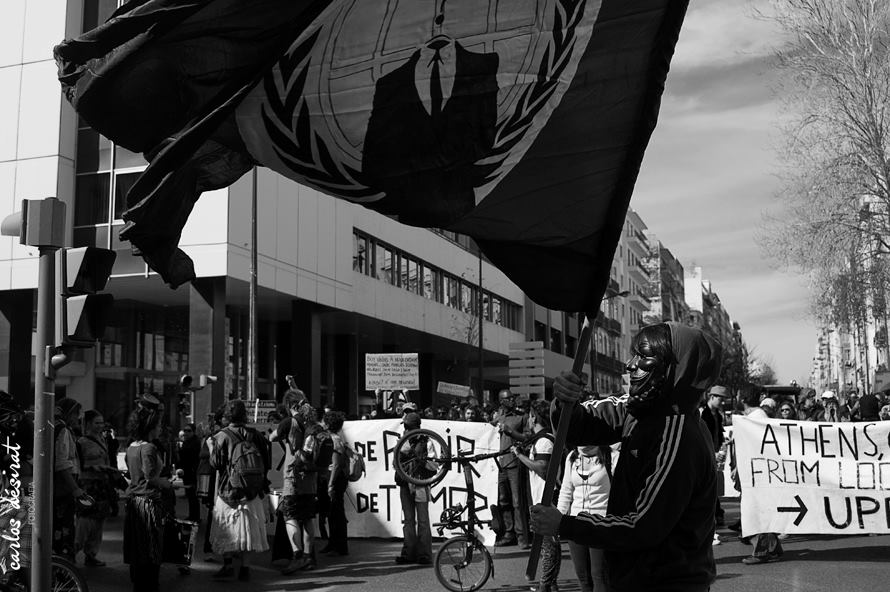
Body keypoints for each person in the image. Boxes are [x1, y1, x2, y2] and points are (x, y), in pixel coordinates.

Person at [529, 322, 722, 592]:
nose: (631, 365)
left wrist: (564, 523)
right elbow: (580, 426)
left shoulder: (678, 435)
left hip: (665, 582)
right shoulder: (641, 407)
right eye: (634, 355)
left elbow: (642, 524)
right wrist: (565, 401)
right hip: (634, 576)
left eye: (644, 358)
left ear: (674, 371)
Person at [208, 400, 270, 581]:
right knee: (248, 529)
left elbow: (216, 464)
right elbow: (266, 461)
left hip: (229, 489)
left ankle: (227, 565)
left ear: (227, 416)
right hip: (252, 491)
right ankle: (245, 568)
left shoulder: (222, 436)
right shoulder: (255, 434)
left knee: (226, 526)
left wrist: (211, 447)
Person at [123, 403, 170, 592]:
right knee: (151, 550)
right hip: (148, 503)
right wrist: (167, 483)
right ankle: (149, 585)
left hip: (134, 501)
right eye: (158, 425)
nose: (160, 428)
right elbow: (152, 477)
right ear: (150, 426)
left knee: (137, 550)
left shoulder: (131, 447)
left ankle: (139, 584)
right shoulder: (149, 448)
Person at [513, 400, 558, 592]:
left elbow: (542, 468)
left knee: (548, 547)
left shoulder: (544, 441)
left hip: (546, 500)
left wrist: (520, 456)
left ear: (534, 417)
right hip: (540, 498)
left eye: (529, 416)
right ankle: (551, 584)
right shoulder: (541, 439)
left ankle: (544, 585)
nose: (528, 420)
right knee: (547, 546)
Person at [557, 445, 611, 592]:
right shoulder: (572, 457)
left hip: (601, 523)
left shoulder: (610, 455)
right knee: (583, 576)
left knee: (599, 575)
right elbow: (566, 491)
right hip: (576, 523)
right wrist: (558, 519)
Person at [76, 410, 116, 567]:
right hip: (88, 484)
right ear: (88, 424)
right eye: (96, 423)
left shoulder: (103, 439)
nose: (100, 426)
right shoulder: (81, 442)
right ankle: (73, 550)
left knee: (99, 519)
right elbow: (78, 465)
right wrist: (94, 467)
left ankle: (91, 553)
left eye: (102, 422)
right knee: (85, 520)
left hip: (102, 484)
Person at [491, 388, 529, 548]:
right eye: (509, 398)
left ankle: (522, 536)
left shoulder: (521, 417)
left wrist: (511, 432)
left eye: (513, 398)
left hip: (514, 463)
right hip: (499, 465)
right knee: (503, 500)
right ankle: (509, 533)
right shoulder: (496, 419)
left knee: (517, 501)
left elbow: (528, 437)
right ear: (502, 401)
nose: (513, 400)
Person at [394, 412, 433, 565]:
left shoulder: (426, 441)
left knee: (423, 520)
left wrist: (421, 461)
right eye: (406, 426)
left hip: (421, 483)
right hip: (405, 484)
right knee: (408, 520)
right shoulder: (401, 441)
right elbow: (395, 463)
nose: (407, 429)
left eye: (409, 426)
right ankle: (408, 553)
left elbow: (434, 464)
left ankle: (424, 554)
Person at [54, 398, 86, 560]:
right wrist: (75, 489)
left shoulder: (56, 427)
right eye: (76, 414)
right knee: (64, 530)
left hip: (59, 489)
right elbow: (62, 464)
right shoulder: (63, 430)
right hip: (63, 490)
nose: (77, 418)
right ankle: (63, 570)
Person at [320, 410, 349, 557]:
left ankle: (341, 546)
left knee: (337, 513)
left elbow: (336, 465)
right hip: (334, 478)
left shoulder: (334, 440)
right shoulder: (334, 438)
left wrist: (330, 484)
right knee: (332, 512)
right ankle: (333, 543)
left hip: (336, 479)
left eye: (324, 421)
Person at [701, 385, 728, 529]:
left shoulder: (717, 415)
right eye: (721, 399)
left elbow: (718, 433)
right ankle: (714, 515)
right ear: (712, 397)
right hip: (705, 456)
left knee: (713, 487)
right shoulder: (701, 413)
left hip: (715, 455)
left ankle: (716, 514)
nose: (723, 403)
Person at [177, 422, 202, 522]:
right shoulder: (186, 441)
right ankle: (193, 515)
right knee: (190, 495)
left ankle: (195, 517)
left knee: (193, 496)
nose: (186, 432)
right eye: (185, 430)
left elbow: (190, 456)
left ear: (193, 432)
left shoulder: (195, 442)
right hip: (186, 472)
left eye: (189, 431)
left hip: (192, 473)